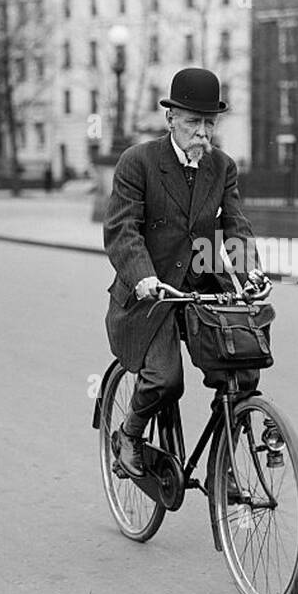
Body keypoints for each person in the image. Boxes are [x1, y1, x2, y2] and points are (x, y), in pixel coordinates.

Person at [103, 67, 262, 478]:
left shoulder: (221, 167)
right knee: (164, 380)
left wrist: (249, 275)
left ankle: (222, 463)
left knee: (243, 368)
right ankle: (129, 435)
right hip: (150, 295)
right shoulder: (137, 162)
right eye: (193, 121)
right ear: (171, 118)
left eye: (209, 123)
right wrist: (143, 278)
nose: (202, 132)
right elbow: (123, 230)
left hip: (202, 287)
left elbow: (235, 225)